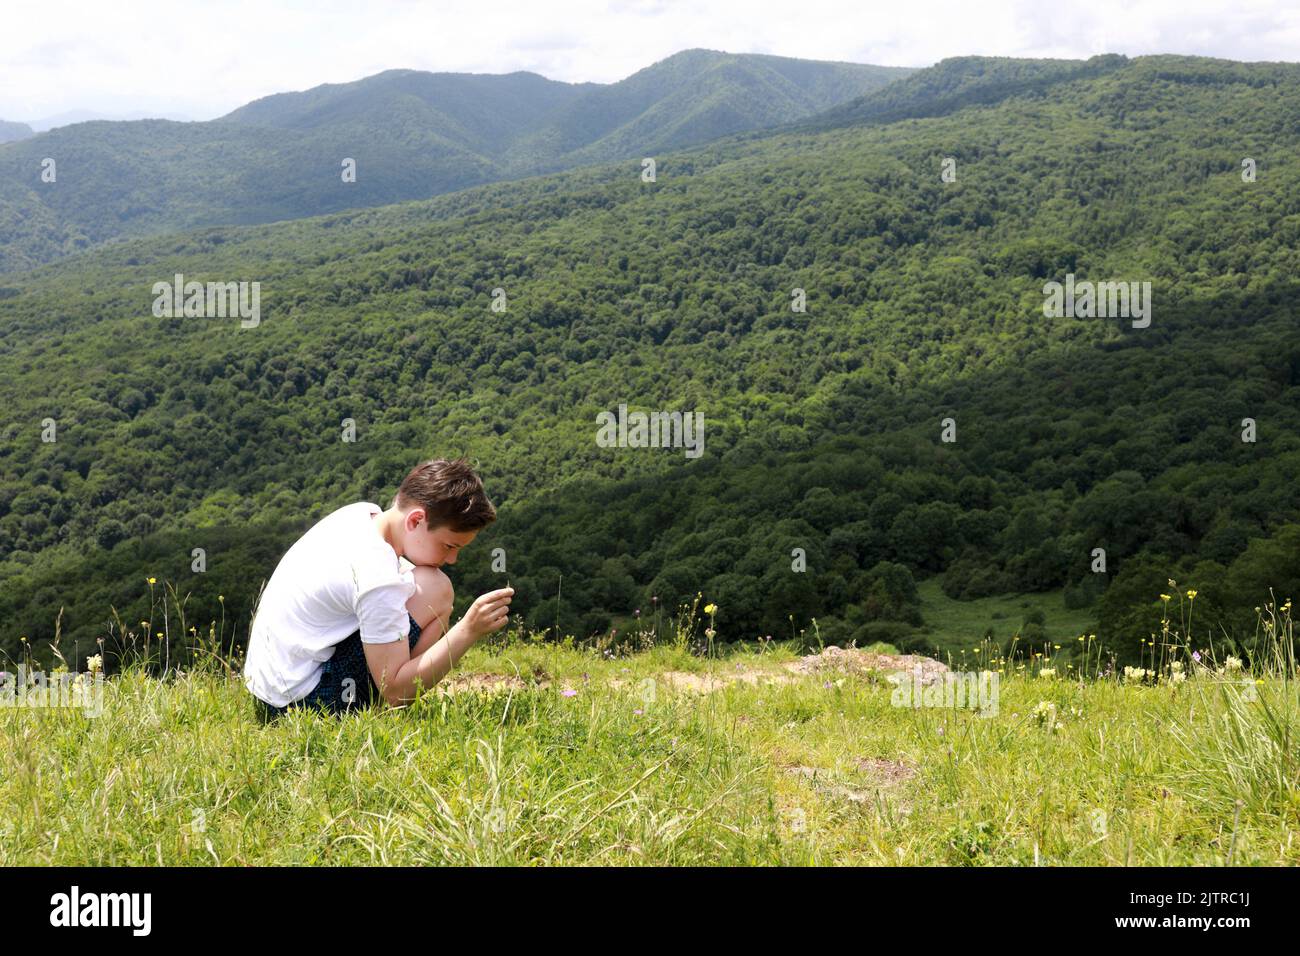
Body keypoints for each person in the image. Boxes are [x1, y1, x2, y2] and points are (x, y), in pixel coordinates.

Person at [243, 457, 512, 721]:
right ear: (416, 521)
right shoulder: (376, 572)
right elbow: (392, 690)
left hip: (270, 689)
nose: (452, 559)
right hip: (299, 706)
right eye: (449, 546)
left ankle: (402, 676)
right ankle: (390, 707)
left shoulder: (361, 514)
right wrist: (468, 630)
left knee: (427, 584)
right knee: (437, 589)